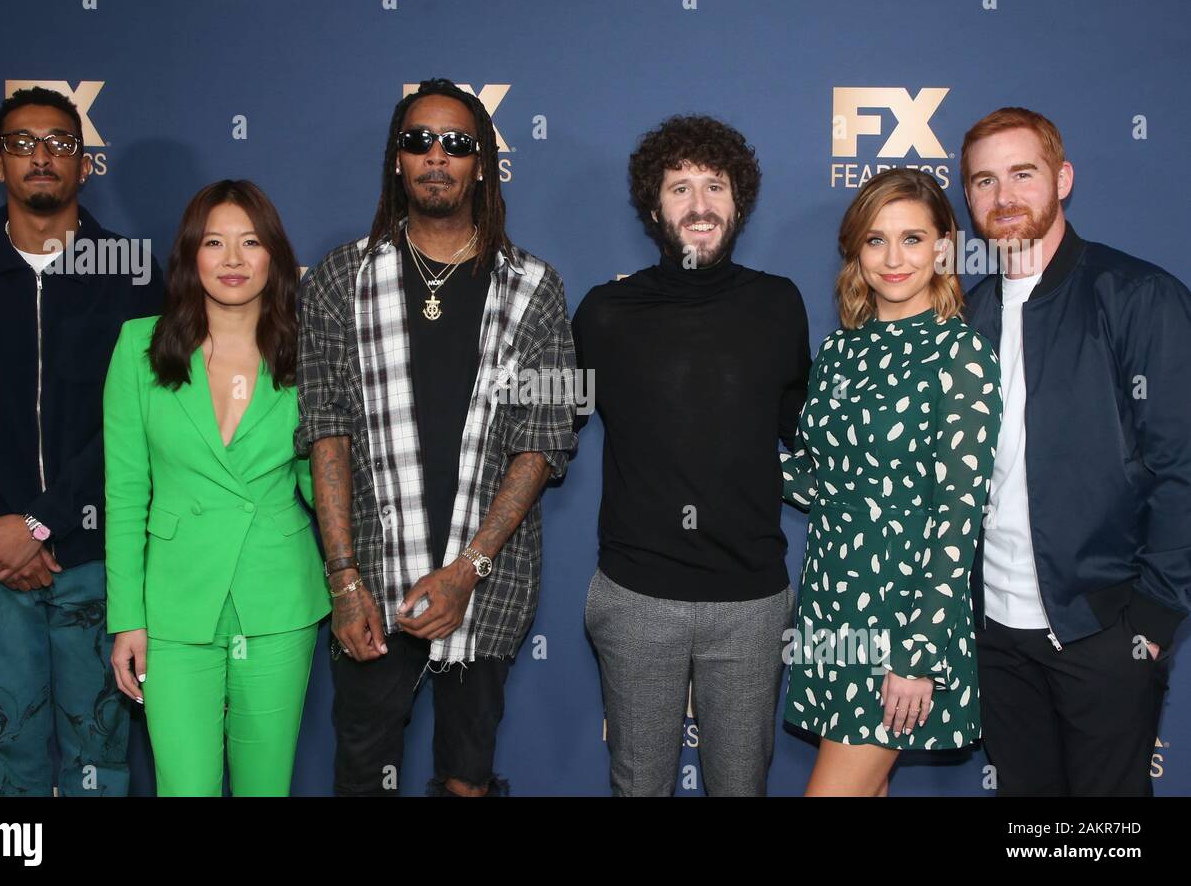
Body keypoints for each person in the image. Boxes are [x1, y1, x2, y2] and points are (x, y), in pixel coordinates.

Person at [296, 78, 577, 797]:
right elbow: (325, 431)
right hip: (371, 580)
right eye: (418, 140)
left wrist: (467, 569)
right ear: (396, 159)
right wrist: (343, 577)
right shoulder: (339, 279)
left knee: (467, 776)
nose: (436, 157)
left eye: (457, 144)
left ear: (482, 162)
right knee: (363, 774)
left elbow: (543, 441)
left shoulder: (534, 287)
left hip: (489, 581)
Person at [0, 86, 160, 796]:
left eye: (58, 143)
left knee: (100, 755)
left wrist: (43, 520)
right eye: (23, 143)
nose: (41, 156)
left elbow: (136, 424)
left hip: (99, 556)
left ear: (84, 164)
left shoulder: (133, 272)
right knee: (4, 751)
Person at [573, 115, 807, 796]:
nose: (700, 205)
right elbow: (545, 431)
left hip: (753, 601)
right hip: (637, 595)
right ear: (654, 206)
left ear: (739, 203)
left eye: (715, 186)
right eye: (680, 188)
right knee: (640, 787)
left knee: (742, 787)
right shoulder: (605, 312)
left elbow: (808, 432)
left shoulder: (778, 304)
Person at [960, 107, 1191, 796]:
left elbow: (1181, 470)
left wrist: (1149, 622)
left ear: (1062, 179)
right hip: (997, 636)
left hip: (1104, 632)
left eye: (1022, 174)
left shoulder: (1138, 296)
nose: (1003, 198)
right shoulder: (968, 313)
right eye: (983, 181)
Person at [779, 168, 1002, 796]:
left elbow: (958, 513)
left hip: (905, 618)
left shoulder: (960, 355)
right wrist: (727, 457)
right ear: (856, 251)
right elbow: (824, 483)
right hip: (831, 605)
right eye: (876, 240)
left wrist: (919, 654)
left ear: (943, 247)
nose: (893, 258)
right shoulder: (841, 352)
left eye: (912, 239)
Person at [105, 180, 329, 797]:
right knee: (185, 787)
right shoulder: (137, 348)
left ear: (274, 257)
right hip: (174, 604)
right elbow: (125, 495)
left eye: (250, 242)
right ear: (190, 255)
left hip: (278, 598)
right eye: (215, 242)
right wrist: (126, 619)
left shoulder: (309, 349)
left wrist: (361, 573)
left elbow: (326, 484)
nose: (232, 260)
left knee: (265, 787)